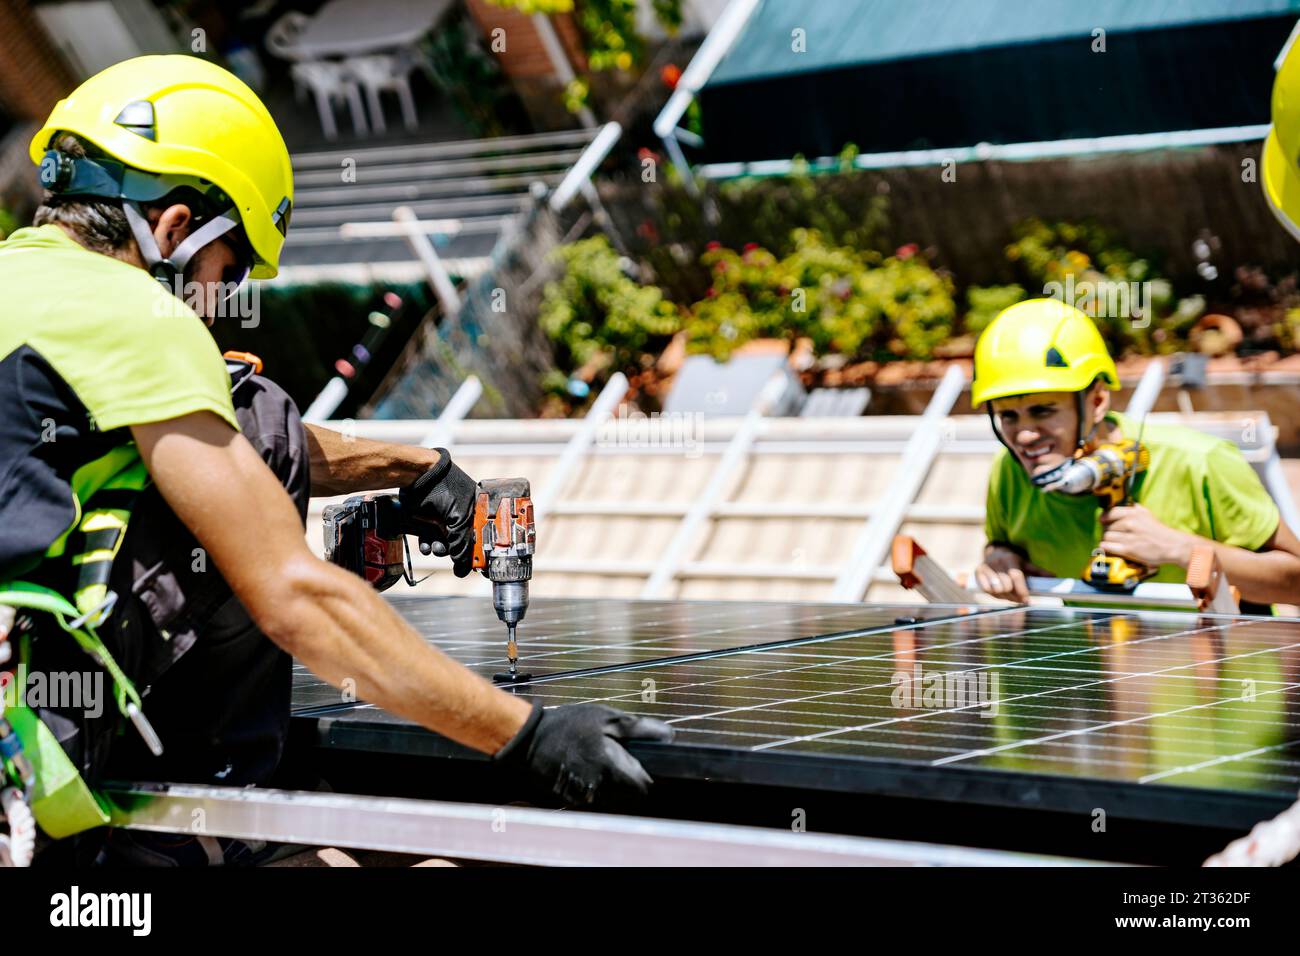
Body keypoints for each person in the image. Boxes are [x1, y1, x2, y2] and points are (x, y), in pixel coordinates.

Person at [0, 55, 670, 865]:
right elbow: (292, 593)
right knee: (255, 410)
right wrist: (528, 737)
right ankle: (221, 827)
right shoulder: (135, 311)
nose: (224, 300)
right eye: (233, 267)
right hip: (34, 799)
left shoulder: (24, 284)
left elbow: (214, 441)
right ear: (174, 229)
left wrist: (414, 467)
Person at [970, 297, 1300, 609]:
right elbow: (1001, 544)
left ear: (1097, 401)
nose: (1025, 435)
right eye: (1008, 416)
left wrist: (1180, 549)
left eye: (1043, 411)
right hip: (1102, 665)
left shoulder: (1199, 462)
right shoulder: (1011, 471)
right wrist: (998, 555)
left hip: (1227, 666)